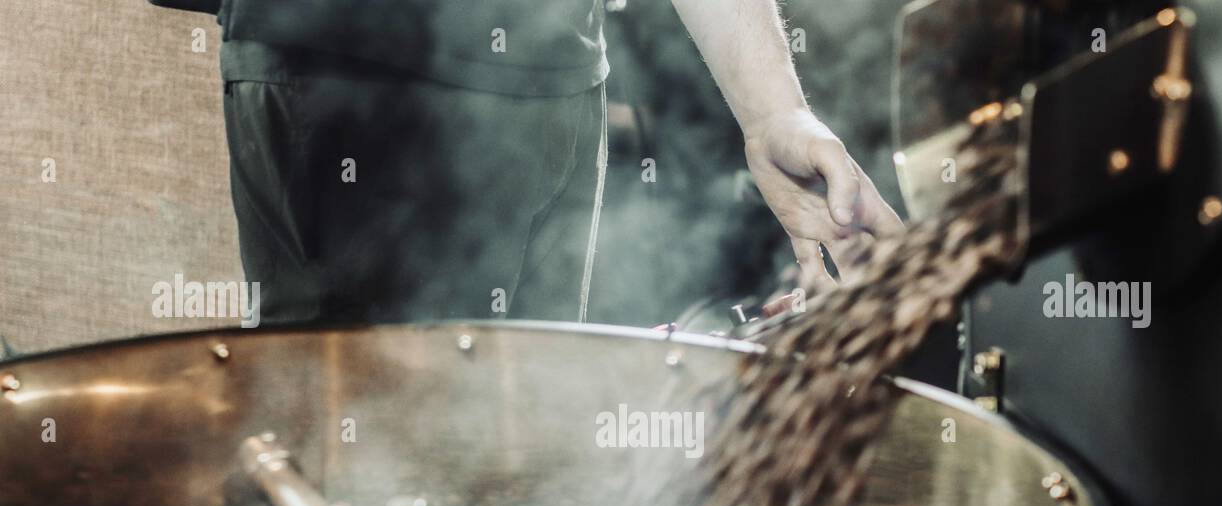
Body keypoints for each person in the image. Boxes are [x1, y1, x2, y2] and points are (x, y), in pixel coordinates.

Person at [150, 0, 901, 326]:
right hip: (362, 66)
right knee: (357, 477)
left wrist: (772, 111)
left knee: (523, 461)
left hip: (558, 79)